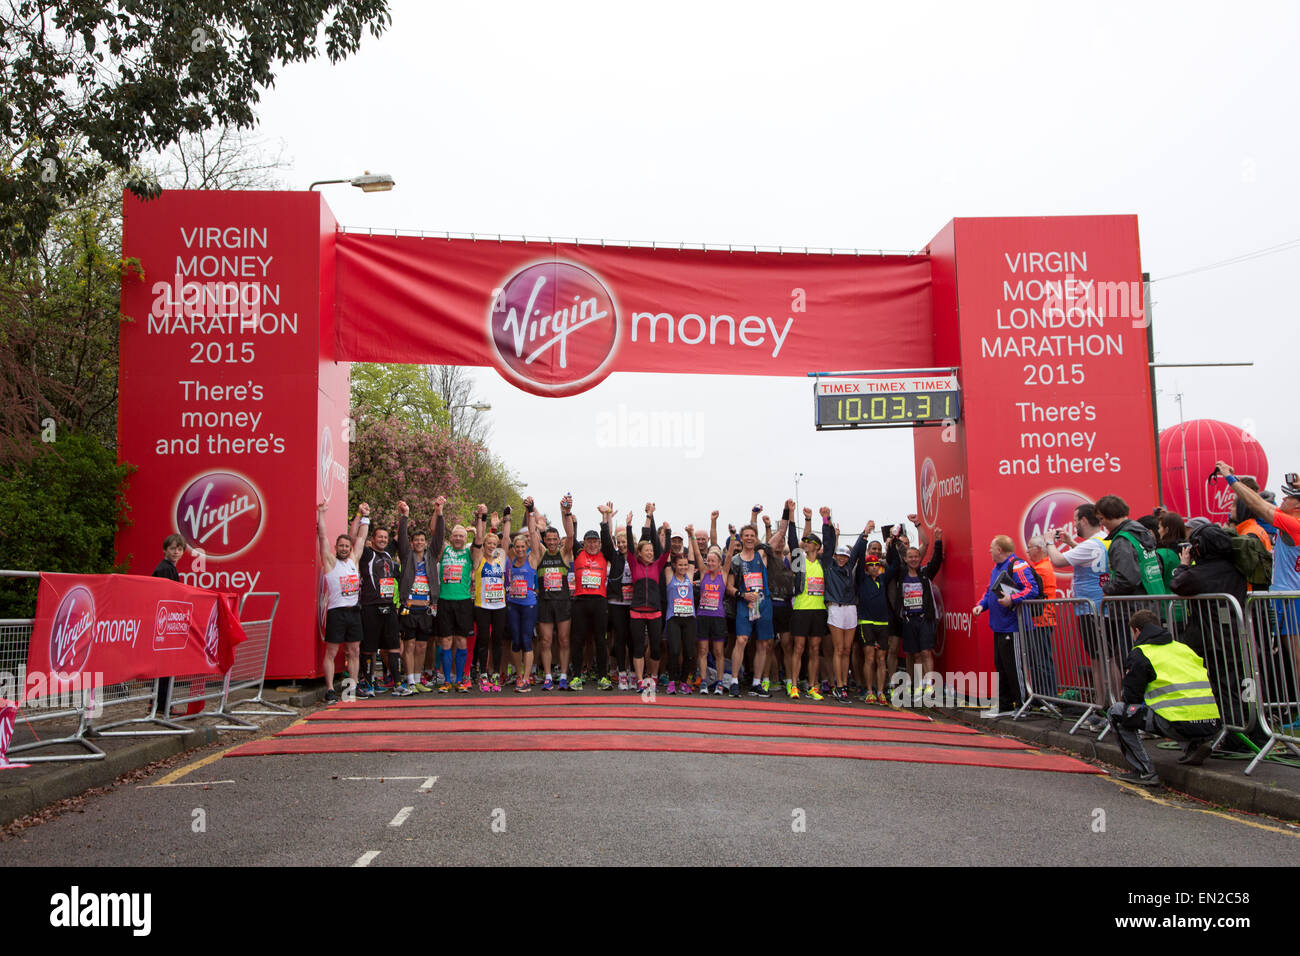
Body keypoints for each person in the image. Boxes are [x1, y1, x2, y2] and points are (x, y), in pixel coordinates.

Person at [1106, 609, 1221, 785]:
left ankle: (1145, 771)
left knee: (1117, 712)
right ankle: (1194, 745)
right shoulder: (1183, 648)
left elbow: (1131, 697)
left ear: (1137, 631)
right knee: (1172, 706)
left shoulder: (1141, 653)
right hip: (1210, 722)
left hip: (1178, 722)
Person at [1047, 503, 1113, 726]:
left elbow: (1057, 560)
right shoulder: (1103, 541)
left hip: (1090, 609)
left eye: (1075, 519)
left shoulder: (1092, 544)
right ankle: (1112, 706)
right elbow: (1091, 557)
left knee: (1098, 661)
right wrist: (1070, 543)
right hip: (1103, 607)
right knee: (1110, 658)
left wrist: (1049, 542)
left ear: (1085, 520)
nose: (1074, 524)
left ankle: (1103, 706)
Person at [726, 507, 789, 697]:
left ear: (756, 538)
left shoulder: (762, 555)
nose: (749, 538)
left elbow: (781, 533)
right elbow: (729, 587)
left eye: (752, 535)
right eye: (745, 535)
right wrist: (742, 595)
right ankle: (735, 681)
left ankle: (756, 682)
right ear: (741, 538)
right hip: (745, 604)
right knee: (741, 640)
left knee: (763, 643)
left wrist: (787, 510)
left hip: (763, 603)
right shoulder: (736, 561)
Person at [972, 535, 1038, 714]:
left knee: (1014, 667)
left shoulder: (1018, 565)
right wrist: (981, 605)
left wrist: (1012, 599)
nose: (989, 551)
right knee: (1001, 666)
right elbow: (989, 592)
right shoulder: (997, 568)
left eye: (991, 547)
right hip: (999, 626)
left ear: (1000, 550)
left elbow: (1032, 589)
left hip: (1013, 626)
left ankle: (1024, 704)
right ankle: (1005, 704)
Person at [887, 524, 945, 701]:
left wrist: (938, 541)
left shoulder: (926, 573)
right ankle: (919, 686)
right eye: (910, 557)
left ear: (920, 558)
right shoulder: (901, 573)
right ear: (905, 559)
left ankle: (929, 686)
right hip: (908, 619)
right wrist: (892, 541)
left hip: (925, 618)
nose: (913, 559)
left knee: (926, 652)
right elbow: (891, 558)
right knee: (915, 654)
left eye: (916, 556)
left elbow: (936, 559)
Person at [317, 501, 366, 703]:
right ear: (336, 547)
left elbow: (362, 537)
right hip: (337, 612)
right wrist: (321, 514)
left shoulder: (354, 561)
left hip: (354, 612)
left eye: (347, 545)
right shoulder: (330, 562)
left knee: (354, 650)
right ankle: (329, 689)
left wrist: (365, 515)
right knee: (332, 651)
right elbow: (322, 537)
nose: (345, 548)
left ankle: (351, 689)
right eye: (342, 546)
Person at [395, 499, 443, 696]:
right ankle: (409, 681)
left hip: (426, 609)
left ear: (425, 543)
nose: (419, 543)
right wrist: (404, 516)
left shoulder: (431, 556)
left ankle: (417, 678)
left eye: (422, 540)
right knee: (410, 645)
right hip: (409, 607)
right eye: (416, 541)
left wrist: (439, 514)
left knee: (423, 646)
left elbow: (439, 538)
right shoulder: (406, 556)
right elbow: (403, 540)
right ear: (413, 543)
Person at [821, 513, 870, 701]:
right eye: (839, 555)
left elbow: (858, 550)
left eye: (845, 556)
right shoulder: (829, 567)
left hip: (850, 609)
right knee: (838, 648)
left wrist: (865, 533)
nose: (842, 559)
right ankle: (838, 684)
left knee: (847, 649)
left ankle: (844, 684)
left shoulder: (850, 568)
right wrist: (826, 522)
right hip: (835, 608)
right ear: (835, 556)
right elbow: (827, 546)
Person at [570, 501, 617, 691]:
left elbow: (607, 538)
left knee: (600, 640)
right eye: (588, 541)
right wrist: (572, 521)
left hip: (599, 602)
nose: (592, 544)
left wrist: (605, 518)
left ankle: (603, 677)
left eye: (594, 541)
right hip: (580, 601)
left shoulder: (604, 555)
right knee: (578, 640)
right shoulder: (578, 554)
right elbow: (571, 538)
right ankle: (576, 677)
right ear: (584, 543)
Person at [786, 506, 830, 700]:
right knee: (798, 648)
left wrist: (825, 519)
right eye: (805, 541)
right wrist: (793, 516)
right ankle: (794, 685)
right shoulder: (800, 561)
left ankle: (812, 686)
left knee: (814, 650)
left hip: (819, 611)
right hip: (801, 610)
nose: (805, 543)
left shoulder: (824, 563)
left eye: (809, 541)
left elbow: (830, 540)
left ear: (817, 546)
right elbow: (792, 541)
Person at [627, 504, 672, 694]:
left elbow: (667, 551)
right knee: (638, 648)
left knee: (655, 648)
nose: (650, 552)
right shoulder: (633, 563)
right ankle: (639, 680)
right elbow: (629, 546)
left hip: (654, 612)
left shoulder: (658, 565)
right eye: (647, 550)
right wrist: (628, 527)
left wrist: (668, 533)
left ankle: (652, 678)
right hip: (637, 612)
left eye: (652, 550)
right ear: (639, 553)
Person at [533, 495, 576, 690]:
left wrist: (566, 513)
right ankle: (549, 676)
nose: (551, 542)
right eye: (548, 539)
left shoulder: (564, 554)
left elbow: (571, 535)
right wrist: (530, 510)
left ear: (559, 540)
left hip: (563, 603)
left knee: (564, 640)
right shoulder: (541, 554)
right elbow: (533, 535)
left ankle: (564, 675)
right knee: (545, 641)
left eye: (554, 539)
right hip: (545, 603)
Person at [357, 514, 402, 698]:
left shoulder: (389, 554)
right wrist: (364, 518)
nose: (383, 540)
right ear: (372, 540)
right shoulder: (367, 554)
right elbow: (357, 538)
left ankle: (399, 683)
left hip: (389, 606)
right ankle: (368, 683)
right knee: (369, 647)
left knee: (393, 646)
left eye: (385, 537)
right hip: (370, 606)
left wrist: (403, 515)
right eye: (380, 537)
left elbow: (399, 537)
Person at [471, 505, 512, 692]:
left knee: (497, 641)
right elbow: (478, 538)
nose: (491, 546)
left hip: (499, 606)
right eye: (489, 544)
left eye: (494, 544)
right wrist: (482, 517)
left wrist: (507, 518)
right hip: (482, 606)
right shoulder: (479, 558)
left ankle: (495, 674)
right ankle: (483, 675)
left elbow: (507, 540)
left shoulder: (500, 558)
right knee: (482, 640)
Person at [854, 529, 894, 704]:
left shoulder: (883, 579)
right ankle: (869, 690)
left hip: (883, 623)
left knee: (881, 659)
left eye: (876, 564)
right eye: (870, 564)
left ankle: (880, 691)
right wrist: (864, 536)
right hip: (866, 622)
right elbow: (859, 557)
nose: (873, 567)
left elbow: (897, 566)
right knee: (869, 657)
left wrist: (892, 543)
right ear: (866, 567)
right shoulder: (862, 579)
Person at [506, 504, 542, 692]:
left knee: (527, 640)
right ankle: (518, 675)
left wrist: (531, 512)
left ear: (527, 547)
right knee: (516, 640)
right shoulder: (511, 559)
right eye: (517, 546)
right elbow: (505, 541)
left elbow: (534, 536)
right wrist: (507, 519)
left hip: (528, 604)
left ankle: (527, 678)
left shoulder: (532, 558)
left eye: (522, 546)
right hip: (513, 604)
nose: (520, 549)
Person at [694, 536, 732, 695]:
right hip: (702, 616)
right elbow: (696, 554)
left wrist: (734, 535)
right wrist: (691, 535)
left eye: (713, 561)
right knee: (702, 650)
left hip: (718, 618)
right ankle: (703, 681)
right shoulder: (703, 573)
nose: (710, 564)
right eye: (708, 561)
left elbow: (729, 556)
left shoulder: (723, 574)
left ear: (719, 563)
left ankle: (720, 682)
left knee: (718, 652)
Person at [1022, 535, 1059, 700]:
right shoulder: (1040, 567)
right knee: (1038, 661)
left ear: (1038, 549)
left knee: (1041, 661)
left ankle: (1047, 697)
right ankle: (1041, 696)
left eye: (1029, 547)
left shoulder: (1042, 569)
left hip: (1041, 620)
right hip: (1039, 620)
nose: (1027, 551)